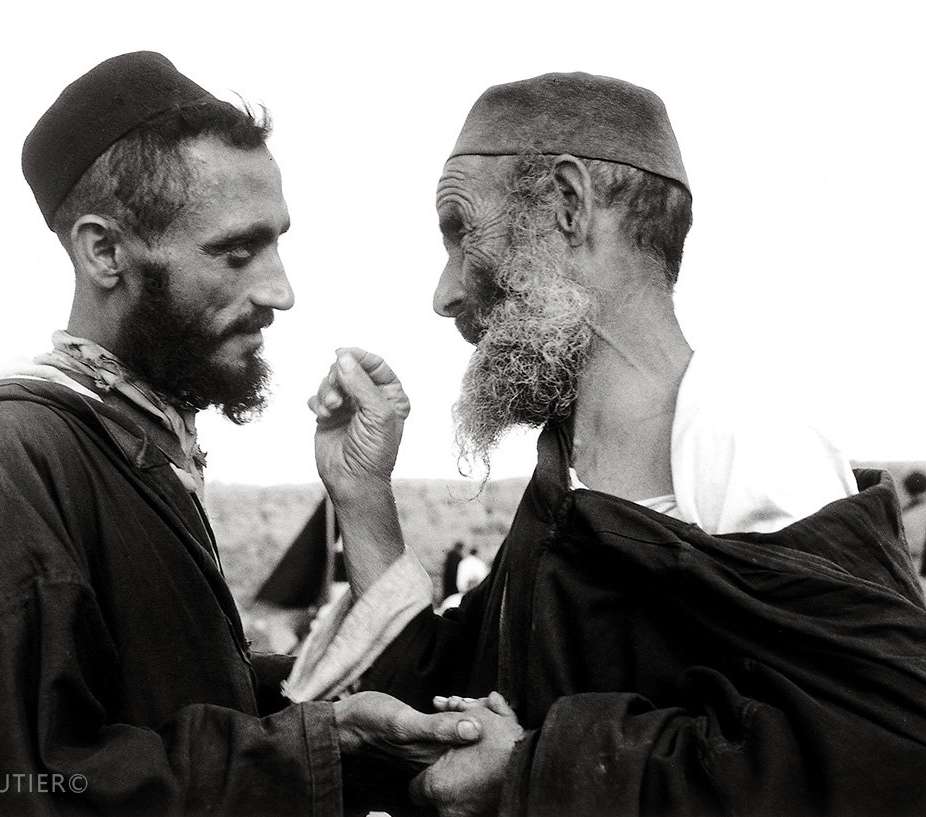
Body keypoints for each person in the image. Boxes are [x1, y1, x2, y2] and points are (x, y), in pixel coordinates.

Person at [0, 52, 483, 816]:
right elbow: (10, 784)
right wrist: (321, 745)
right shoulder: (10, 456)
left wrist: (358, 504)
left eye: (276, 243)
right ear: (104, 251)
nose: (280, 291)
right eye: (236, 253)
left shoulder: (124, 439)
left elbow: (156, 701)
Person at [290, 73, 926, 815]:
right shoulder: (569, 469)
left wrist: (531, 768)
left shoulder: (740, 433)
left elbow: (880, 749)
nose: (445, 292)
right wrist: (362, 494)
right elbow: (449, 696)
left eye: (461, 231)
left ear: (566, 205)